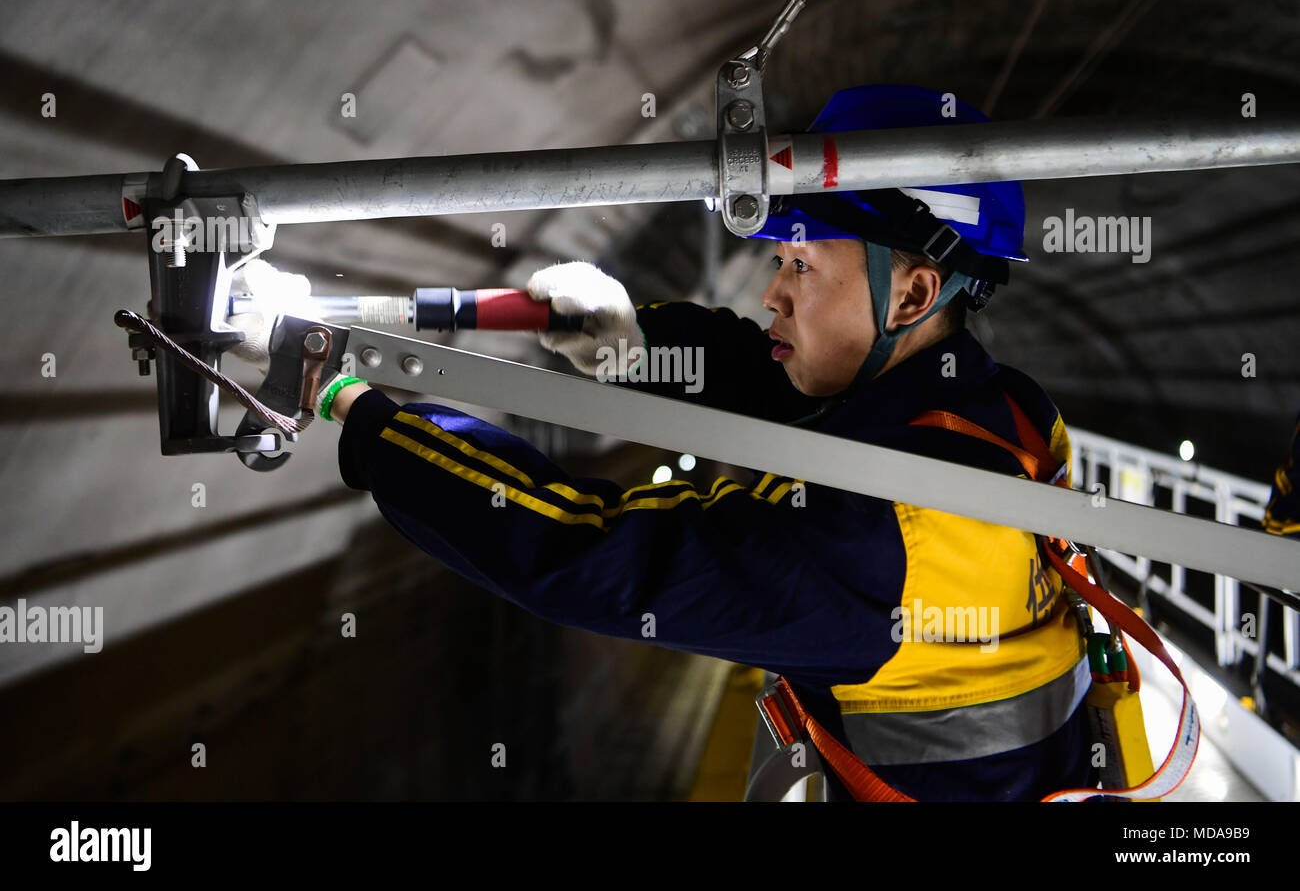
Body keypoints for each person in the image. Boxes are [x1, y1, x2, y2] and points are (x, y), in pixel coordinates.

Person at [235, 85, 1097, 801]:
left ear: (911, 296)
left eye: (800, 264)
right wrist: (636, 342)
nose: (773, 293)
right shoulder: (1002, 407)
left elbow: (581, 549)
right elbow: (777, 384)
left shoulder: (879, 542)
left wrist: (346, 399)